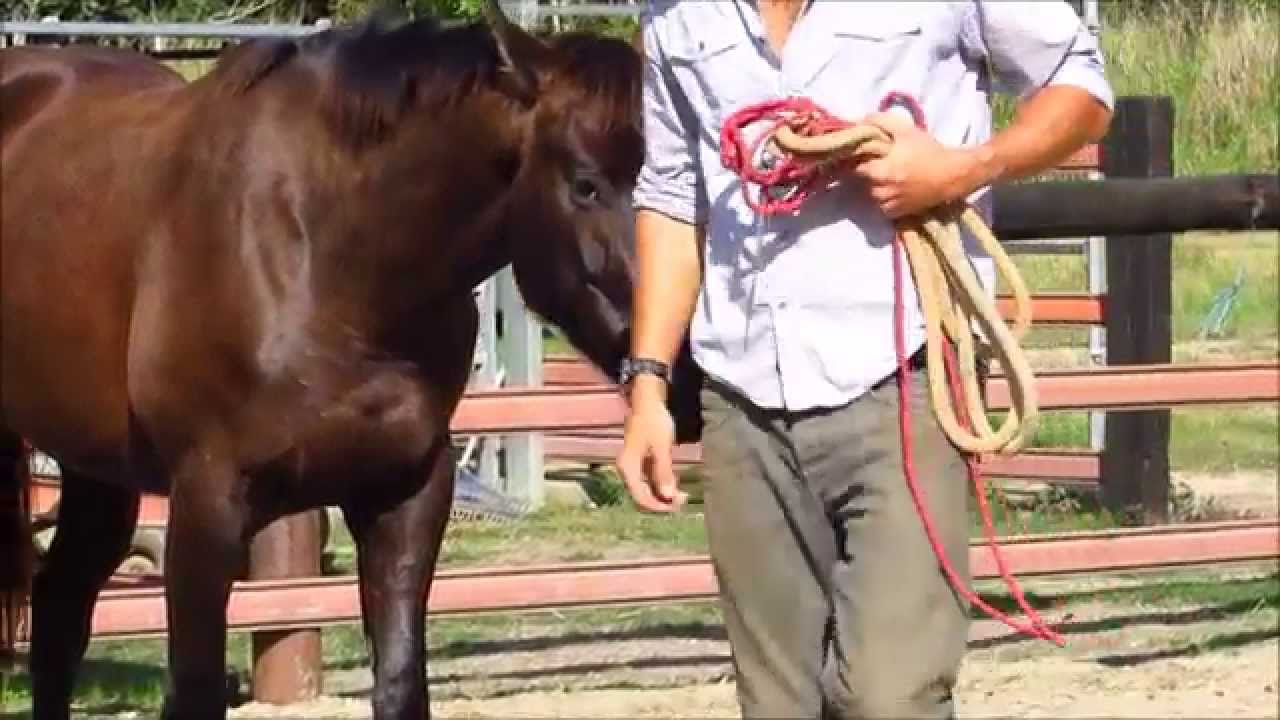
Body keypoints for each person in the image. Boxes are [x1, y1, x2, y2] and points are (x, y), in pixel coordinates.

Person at [614, 2, 1114, 718]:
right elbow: (672, 194)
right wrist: (648, 387)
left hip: (902, 380)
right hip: (743, 398)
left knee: (889, 699)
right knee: (776, 703)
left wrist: (960, 167)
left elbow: (1083, 86)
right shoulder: (674, 10)